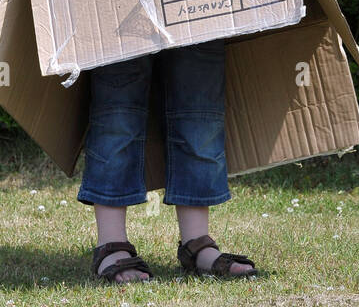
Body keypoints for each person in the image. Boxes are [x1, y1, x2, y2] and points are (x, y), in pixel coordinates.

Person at [77, 39, 258, 283]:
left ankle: (197, 244)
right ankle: (110, 244)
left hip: (196, 4)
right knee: (117, 109)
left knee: (199, 109)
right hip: (115, 9)